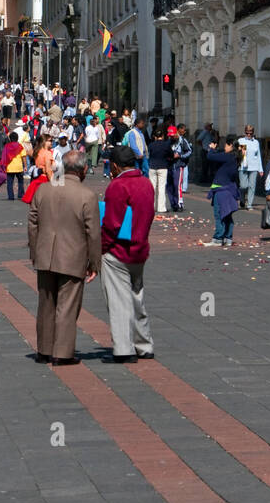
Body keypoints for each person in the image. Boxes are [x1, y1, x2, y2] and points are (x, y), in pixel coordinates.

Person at [28, 149, 101, 365]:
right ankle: (62, 352)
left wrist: (35, 250)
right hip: (73, 256)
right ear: (84, 169)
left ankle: (43, 350)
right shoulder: (86, 195)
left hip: (44, 255)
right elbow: (94, 233)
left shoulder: (44, 189)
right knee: (67, 306)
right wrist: (95, 262)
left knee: (46, 303)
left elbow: (32, 222)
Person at [101, 146, 156, 362]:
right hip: (140, 248)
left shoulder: (118, 186)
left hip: (118, 250)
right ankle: (144, 344)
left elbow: (112, 223)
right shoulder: (146, 183)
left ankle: (124, 348)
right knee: (137, 297)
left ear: (115, 165)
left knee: (118, 300)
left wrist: (101, 249)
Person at [205, 137, 241, 248]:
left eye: (226, 145)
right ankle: (228, 238)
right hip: (229, 189)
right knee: (227, 215)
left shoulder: (228, 156)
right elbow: (218, 158)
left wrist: (211, 148)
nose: (224, 147)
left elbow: (210, 157)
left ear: (230, 146)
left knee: (219, 214)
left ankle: (218, 238)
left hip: (221, 190)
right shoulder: (234, 158)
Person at [147, 124, 175, 215]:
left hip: (152, 167)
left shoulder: (151, 145)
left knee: (152, 187)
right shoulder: (166, 145)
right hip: (163, 166)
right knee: (162, 188)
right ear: (162, 136)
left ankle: (151, 206)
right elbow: (171, 155)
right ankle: (161, 208)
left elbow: (149, 155)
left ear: (155, 137)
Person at [237, 124, 263, 211]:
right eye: (247, 133)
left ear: (253, 133)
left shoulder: (256, 142)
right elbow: (239, 153)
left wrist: (260, 169)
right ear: (245, 132)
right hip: (243, 166)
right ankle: (242, 198)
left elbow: (258, 156)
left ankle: (249, 204)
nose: (248, 135)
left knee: (252, 186)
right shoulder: (241, 141)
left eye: (250, 133)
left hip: (254, 166)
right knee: (243, 186)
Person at [0, 133, 26, 200]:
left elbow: (4, 157)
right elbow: (23, 157)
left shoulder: (7, 146)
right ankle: (20, 194)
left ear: (10, 138)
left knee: (10, 182)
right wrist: (25, 166)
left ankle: (11, 196)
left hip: (10, 167)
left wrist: (3, 166)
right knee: (20, 181)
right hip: (19, 167)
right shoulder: (20, 146)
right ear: (17, 138)